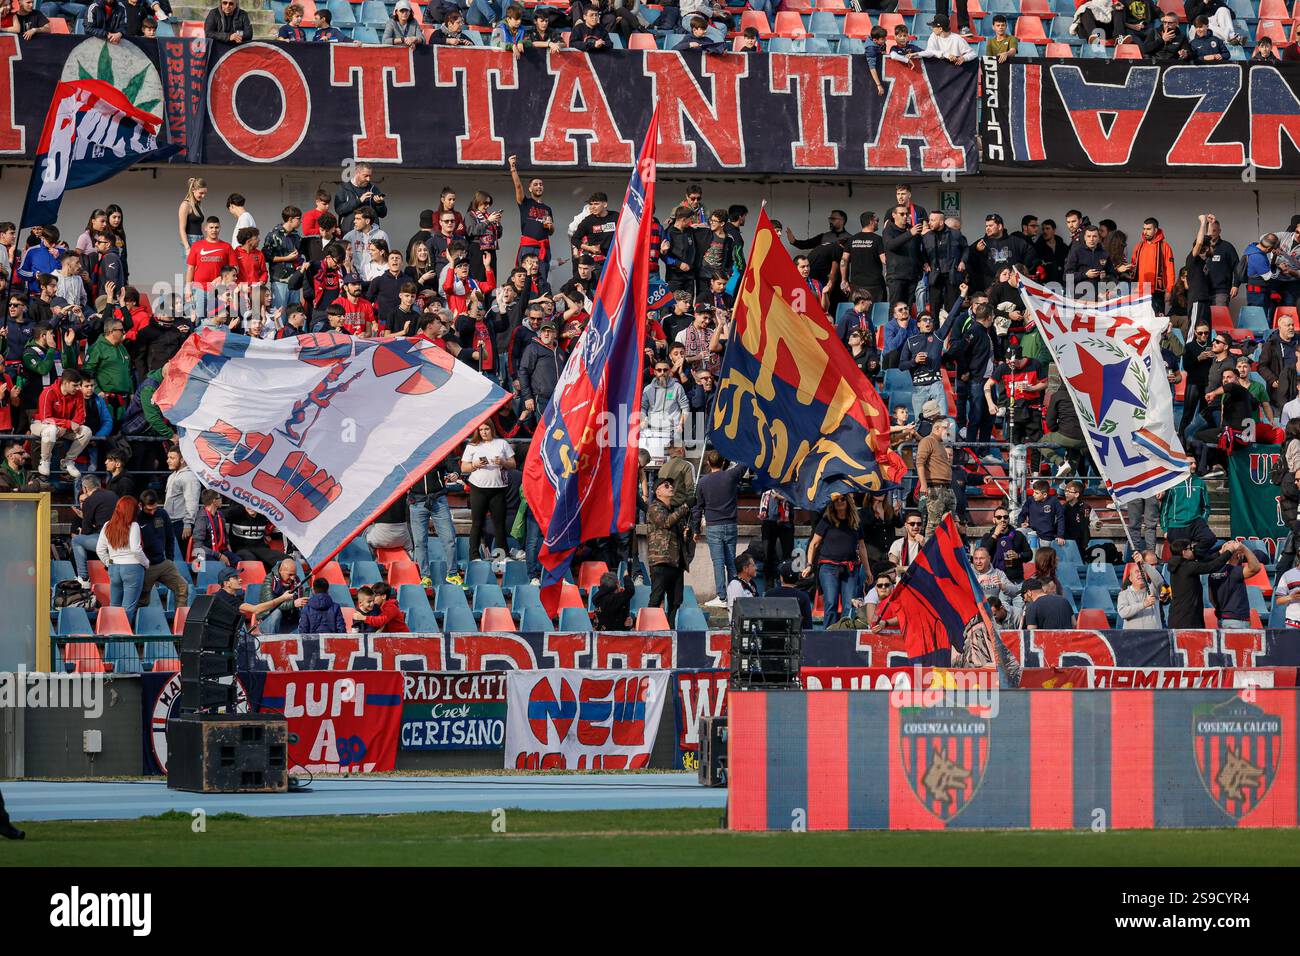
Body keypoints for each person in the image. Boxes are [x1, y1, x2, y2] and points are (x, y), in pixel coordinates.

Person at [804, 492, 871, 625]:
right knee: (830, 603)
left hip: (851, 568)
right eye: (836, 500)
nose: (839, 502)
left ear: (848, 502)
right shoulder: (826, 520)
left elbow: (862, 547)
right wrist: (809, 564)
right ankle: (829, 635)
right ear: (832, 503)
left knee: (849, 604)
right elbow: (814, 543)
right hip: (829, 567)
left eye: (842, 499)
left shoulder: (855, 522)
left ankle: (846, 634)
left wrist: (868, 570)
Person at [692, 451, 745, 607]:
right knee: (731, 562)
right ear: (723, 463)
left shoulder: (703, 482)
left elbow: (697, 507)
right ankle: (734, 595)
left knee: (718, 562)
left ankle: (722, 597)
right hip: (731, 524)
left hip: (714, 525)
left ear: (708, 463)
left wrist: (696, 529)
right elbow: (745, 463)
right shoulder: (731, 476)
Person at [460, 420, 515, 562]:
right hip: (478, 488)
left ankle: (503, 555)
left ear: (492, 429)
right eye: (481, 429)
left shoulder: (502, 443)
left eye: (486, 429)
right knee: (477, 523)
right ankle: (474, 556)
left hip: (498, 489)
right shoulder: (472, 446)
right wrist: (475, 465)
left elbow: (513, 464)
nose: (483, 432)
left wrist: (502, 462)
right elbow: (463, 468)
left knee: (499, 524)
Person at [95, 495, 149, 621]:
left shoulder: (107, 525)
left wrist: (109, 563)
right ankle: (123, 638)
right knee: (128, 607)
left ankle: (112, 634)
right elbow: (136, 549)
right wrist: (146, 563)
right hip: (133, 567)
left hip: (114, 567)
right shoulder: (134, 525)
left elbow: (99, 549)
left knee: (114, 605)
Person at [646, 476, 693, 620]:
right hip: (661, 561)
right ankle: (649, 630)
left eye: (671, 485)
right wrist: (685, 507)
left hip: (676, 562)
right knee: (656, 598)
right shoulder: (654, 507)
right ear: (658, 491)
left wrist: (686, 534)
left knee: (676, 601)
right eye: (666, 485)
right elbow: (665, 522)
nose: (671, 487)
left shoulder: (673, 510)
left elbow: (679, 536)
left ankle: (672, 630)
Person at [30, 369, 90, 479]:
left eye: (79, 385)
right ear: (65, 383)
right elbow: (45, 418)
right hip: (40, 424)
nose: (78, 388)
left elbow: (81, 415)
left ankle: (68, 461)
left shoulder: (78, 394)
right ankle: (45, 461)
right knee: (51, 429)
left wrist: (67, 425)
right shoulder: (48, 392)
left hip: (63, 427)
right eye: (75, 385)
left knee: (86, 431)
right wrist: (67, 424)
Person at [1166, 538, 1235, 629]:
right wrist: (1229, 551)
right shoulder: (1187, 566)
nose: (1192, 551)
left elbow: (1204, 562)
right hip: (1188, 619)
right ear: (1184, 552)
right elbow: (1212, 566)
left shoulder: (1178, 565)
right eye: (1190, 548)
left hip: (1178, 616)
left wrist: (1220, 553)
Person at [137, 489, 188, 607]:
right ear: (141, 505)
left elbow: (170, 537)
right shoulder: (136, 519)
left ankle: (179, 623)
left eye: (155, 508)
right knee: (142, 600)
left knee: (182, 587)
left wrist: (170, 559)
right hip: (145, 566)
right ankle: (134, 624)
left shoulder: (162, 514)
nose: (153, 512)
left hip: (163, 562)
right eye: (149, 509)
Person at [1208, 540, 1262, 629]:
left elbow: (1211, 599)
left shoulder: (1213, 572)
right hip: (1237, 620)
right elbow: (1256, 567)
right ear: (1238, 555)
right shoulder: (1235, 571)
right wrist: (1244, 548)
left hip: (1222, 618)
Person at [978, 505, 1031, 583]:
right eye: (999, 517)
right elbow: (982, 554)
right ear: (994, 520)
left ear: (1008, 519)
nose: (1002, 519)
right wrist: (995, 535)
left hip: (1014, 579)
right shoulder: (987, 536)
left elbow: (1029, 554)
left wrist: (1018, 555)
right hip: (993, 579)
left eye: (1005, 517)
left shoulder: (1018, 535)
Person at [259, 558, 304, 635]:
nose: (293, 578)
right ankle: (270, 642)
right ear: (280, 571)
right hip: (268, 620)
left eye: (294, 575)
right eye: (290, 574)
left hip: (288, 620)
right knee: (277, 613)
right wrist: (293, 604)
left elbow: (300, 598)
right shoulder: (269, 580)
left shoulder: (297, 581)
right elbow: (271, 604)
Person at [764, 561, 813, 629]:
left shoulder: (769, 594)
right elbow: (808, 626)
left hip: (771, 636)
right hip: (793, 637)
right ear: (797, 578)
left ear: (781, 578)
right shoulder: (803, 597)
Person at [1117, 559, 1164, 629]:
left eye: (1143, 572)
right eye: (1137, 572)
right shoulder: (1123, 594)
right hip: (1132, 637)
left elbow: (1159, 581)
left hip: (1154, 636)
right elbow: (1123, 613)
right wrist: (1144, 604)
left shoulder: (1153, 590)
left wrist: (1144, 564)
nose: (1140, 574)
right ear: (1130, 578)